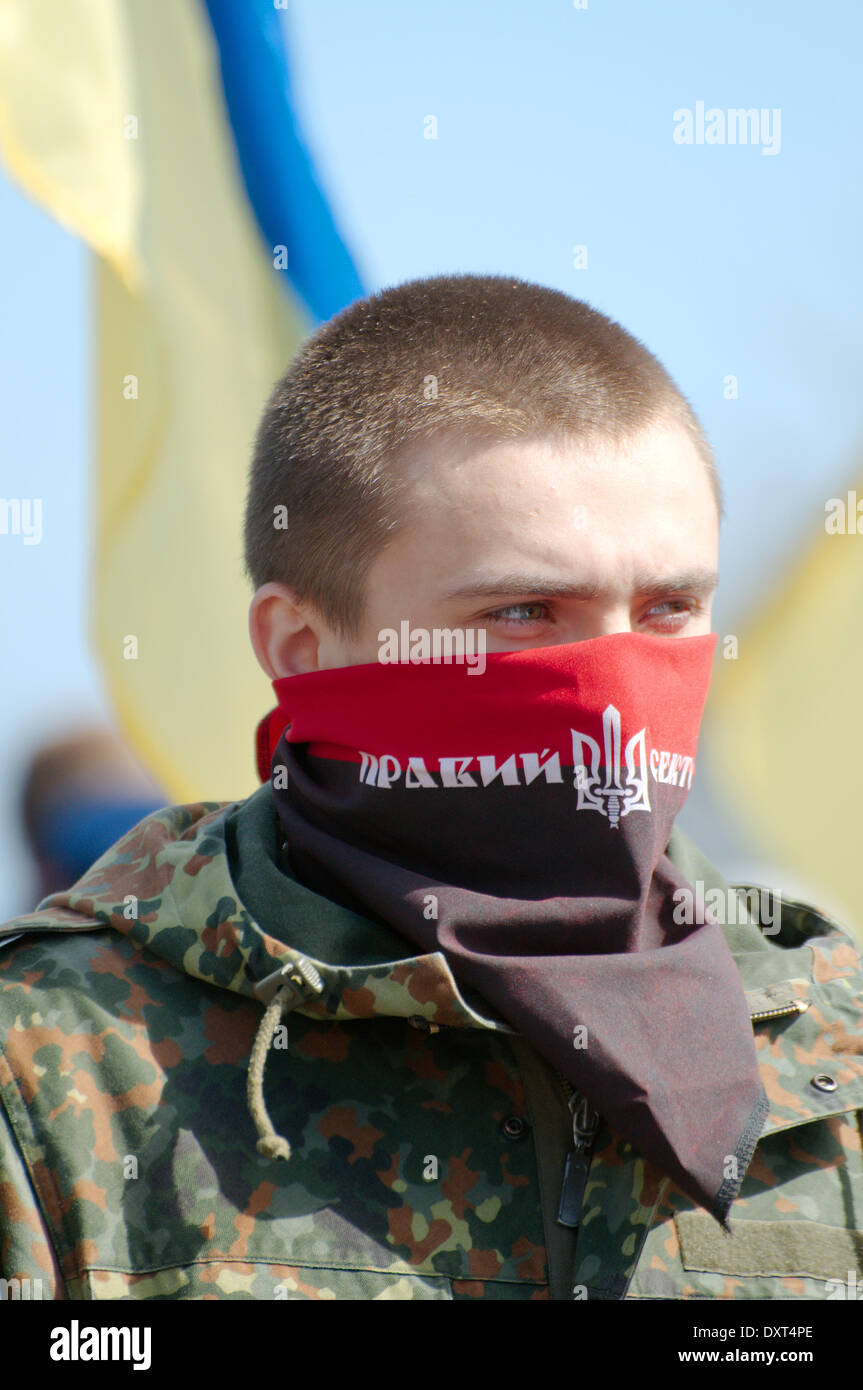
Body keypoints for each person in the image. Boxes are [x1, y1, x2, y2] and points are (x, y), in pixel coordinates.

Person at [1, 274, 861, 1302]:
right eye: (523, 611)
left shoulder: (832, 1043)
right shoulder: (55, 1064)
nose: (616, 690)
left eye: (668, 608)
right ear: (301, 646)